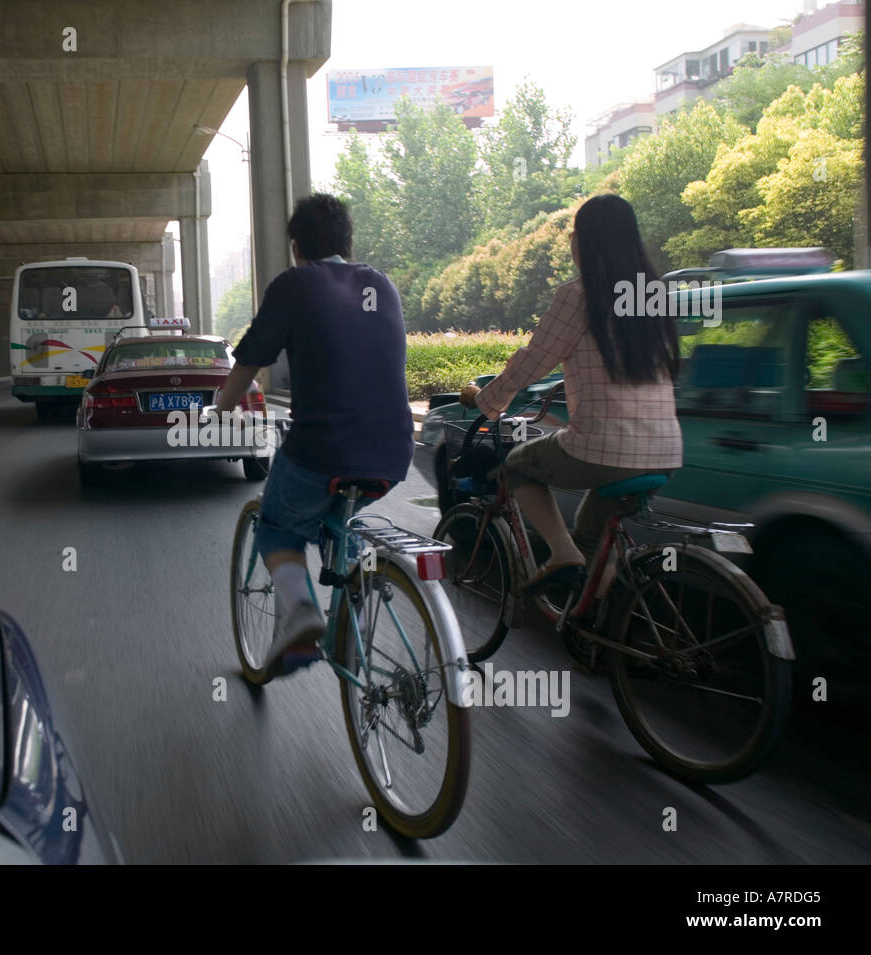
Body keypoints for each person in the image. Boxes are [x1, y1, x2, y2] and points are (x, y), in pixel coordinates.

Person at [214, 194, 414, 677]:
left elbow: (250, 359)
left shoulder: (294, 285)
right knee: (338, 515)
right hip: (393, 450)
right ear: (348, 242)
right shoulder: (381, 285)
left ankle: (302, 615)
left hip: (322, 448)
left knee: (280, 525)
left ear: (297, 246)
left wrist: (220, 407)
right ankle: (344, 611)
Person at [459, 193, 682, 598]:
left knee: (517, 466)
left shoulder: (578, 296)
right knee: (592, 540)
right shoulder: (654, 296)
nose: (571, 244)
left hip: (605, 447)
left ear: (589, 243)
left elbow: (533, 361)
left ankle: (561, 553)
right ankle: (601, 628)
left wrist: (486, 400)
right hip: (665, 452)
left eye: (575, 235)